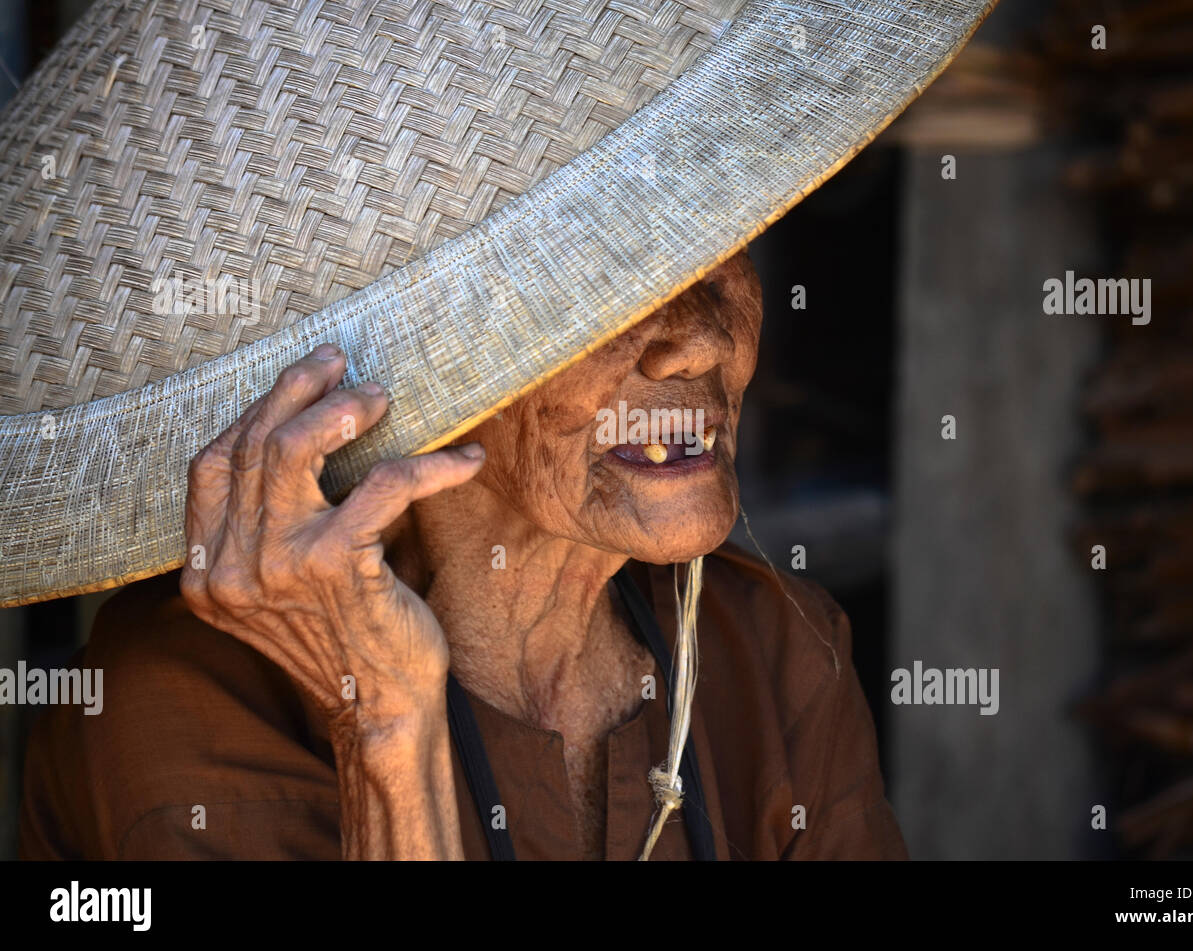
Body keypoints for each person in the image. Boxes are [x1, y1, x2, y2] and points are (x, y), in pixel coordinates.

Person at [19, 248, 906, 860]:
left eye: (719, 255)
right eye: (609, 287)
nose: (704, 339)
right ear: (420, 342)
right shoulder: (176, 705)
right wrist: (387, 727)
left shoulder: (781, 652)